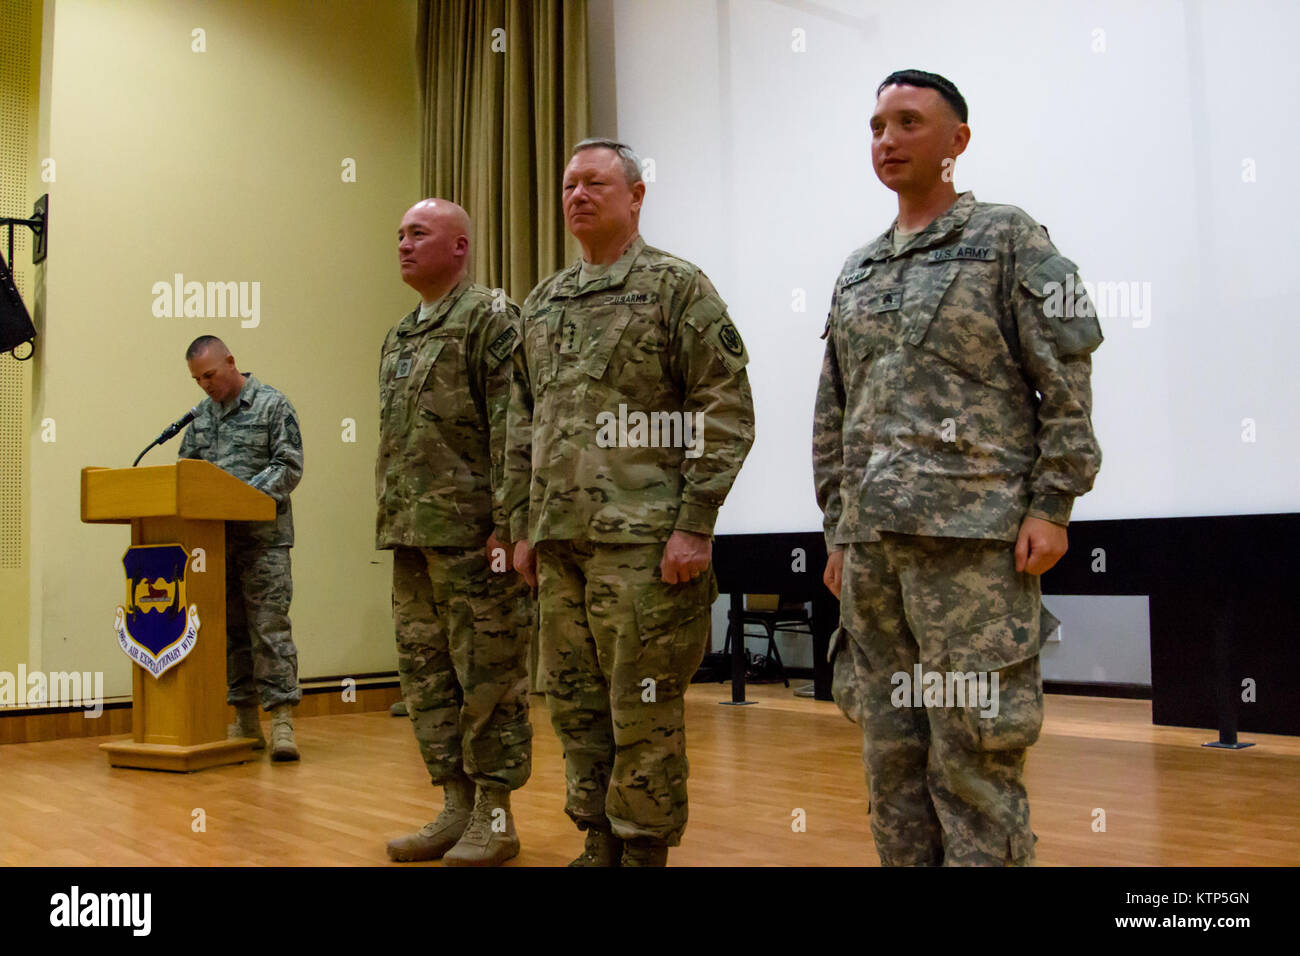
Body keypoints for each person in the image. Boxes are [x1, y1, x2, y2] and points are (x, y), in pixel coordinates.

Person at [813, 70, 1103, 866]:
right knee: (890, 755)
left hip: (972, 543)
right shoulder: (858, 270)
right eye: (876, 126)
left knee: (974, 753)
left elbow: (1066, 374)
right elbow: (834, 412)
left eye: (908, 122)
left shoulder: (1010, 238)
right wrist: (839, 529)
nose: (887, 140)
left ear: (957, 142)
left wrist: (1054, 501)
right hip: (874, 554)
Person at [507, 139, 755, 866]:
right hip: (559, 545)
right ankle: (597, 836)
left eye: (595, 182)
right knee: (576, 705)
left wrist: (695, 524)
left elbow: (725, 406)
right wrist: (525, 528)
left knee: (642, 707)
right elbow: (525, 423)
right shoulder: (542, 302)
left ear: (636, 196)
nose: (578, 195)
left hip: (646, 544)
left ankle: (643, 846)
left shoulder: (676, 288)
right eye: (568, 185)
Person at [377, 199, 533, 867]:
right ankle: (454, 805)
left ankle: (495, 817)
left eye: (420, 233)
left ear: (460, 247)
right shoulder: (399, 335)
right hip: (413, 536)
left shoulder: (490, 320)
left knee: (488, 679)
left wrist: (509, 523)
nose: (405, 244)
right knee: (427, 678)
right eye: (402, 233)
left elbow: (513, 427)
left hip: (476, 539)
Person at [179, 336, 304, 761]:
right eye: (198, 379)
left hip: (263, 542)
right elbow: (187, 474)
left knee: (269, 629)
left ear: (231, 362)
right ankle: (245, 720)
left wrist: (240, 497)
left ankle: (283, 721)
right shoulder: (199, 418)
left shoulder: (272, 405)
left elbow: (289, 466)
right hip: (217, 544)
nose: (205, 385)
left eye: (210, 375)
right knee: (230, 632)